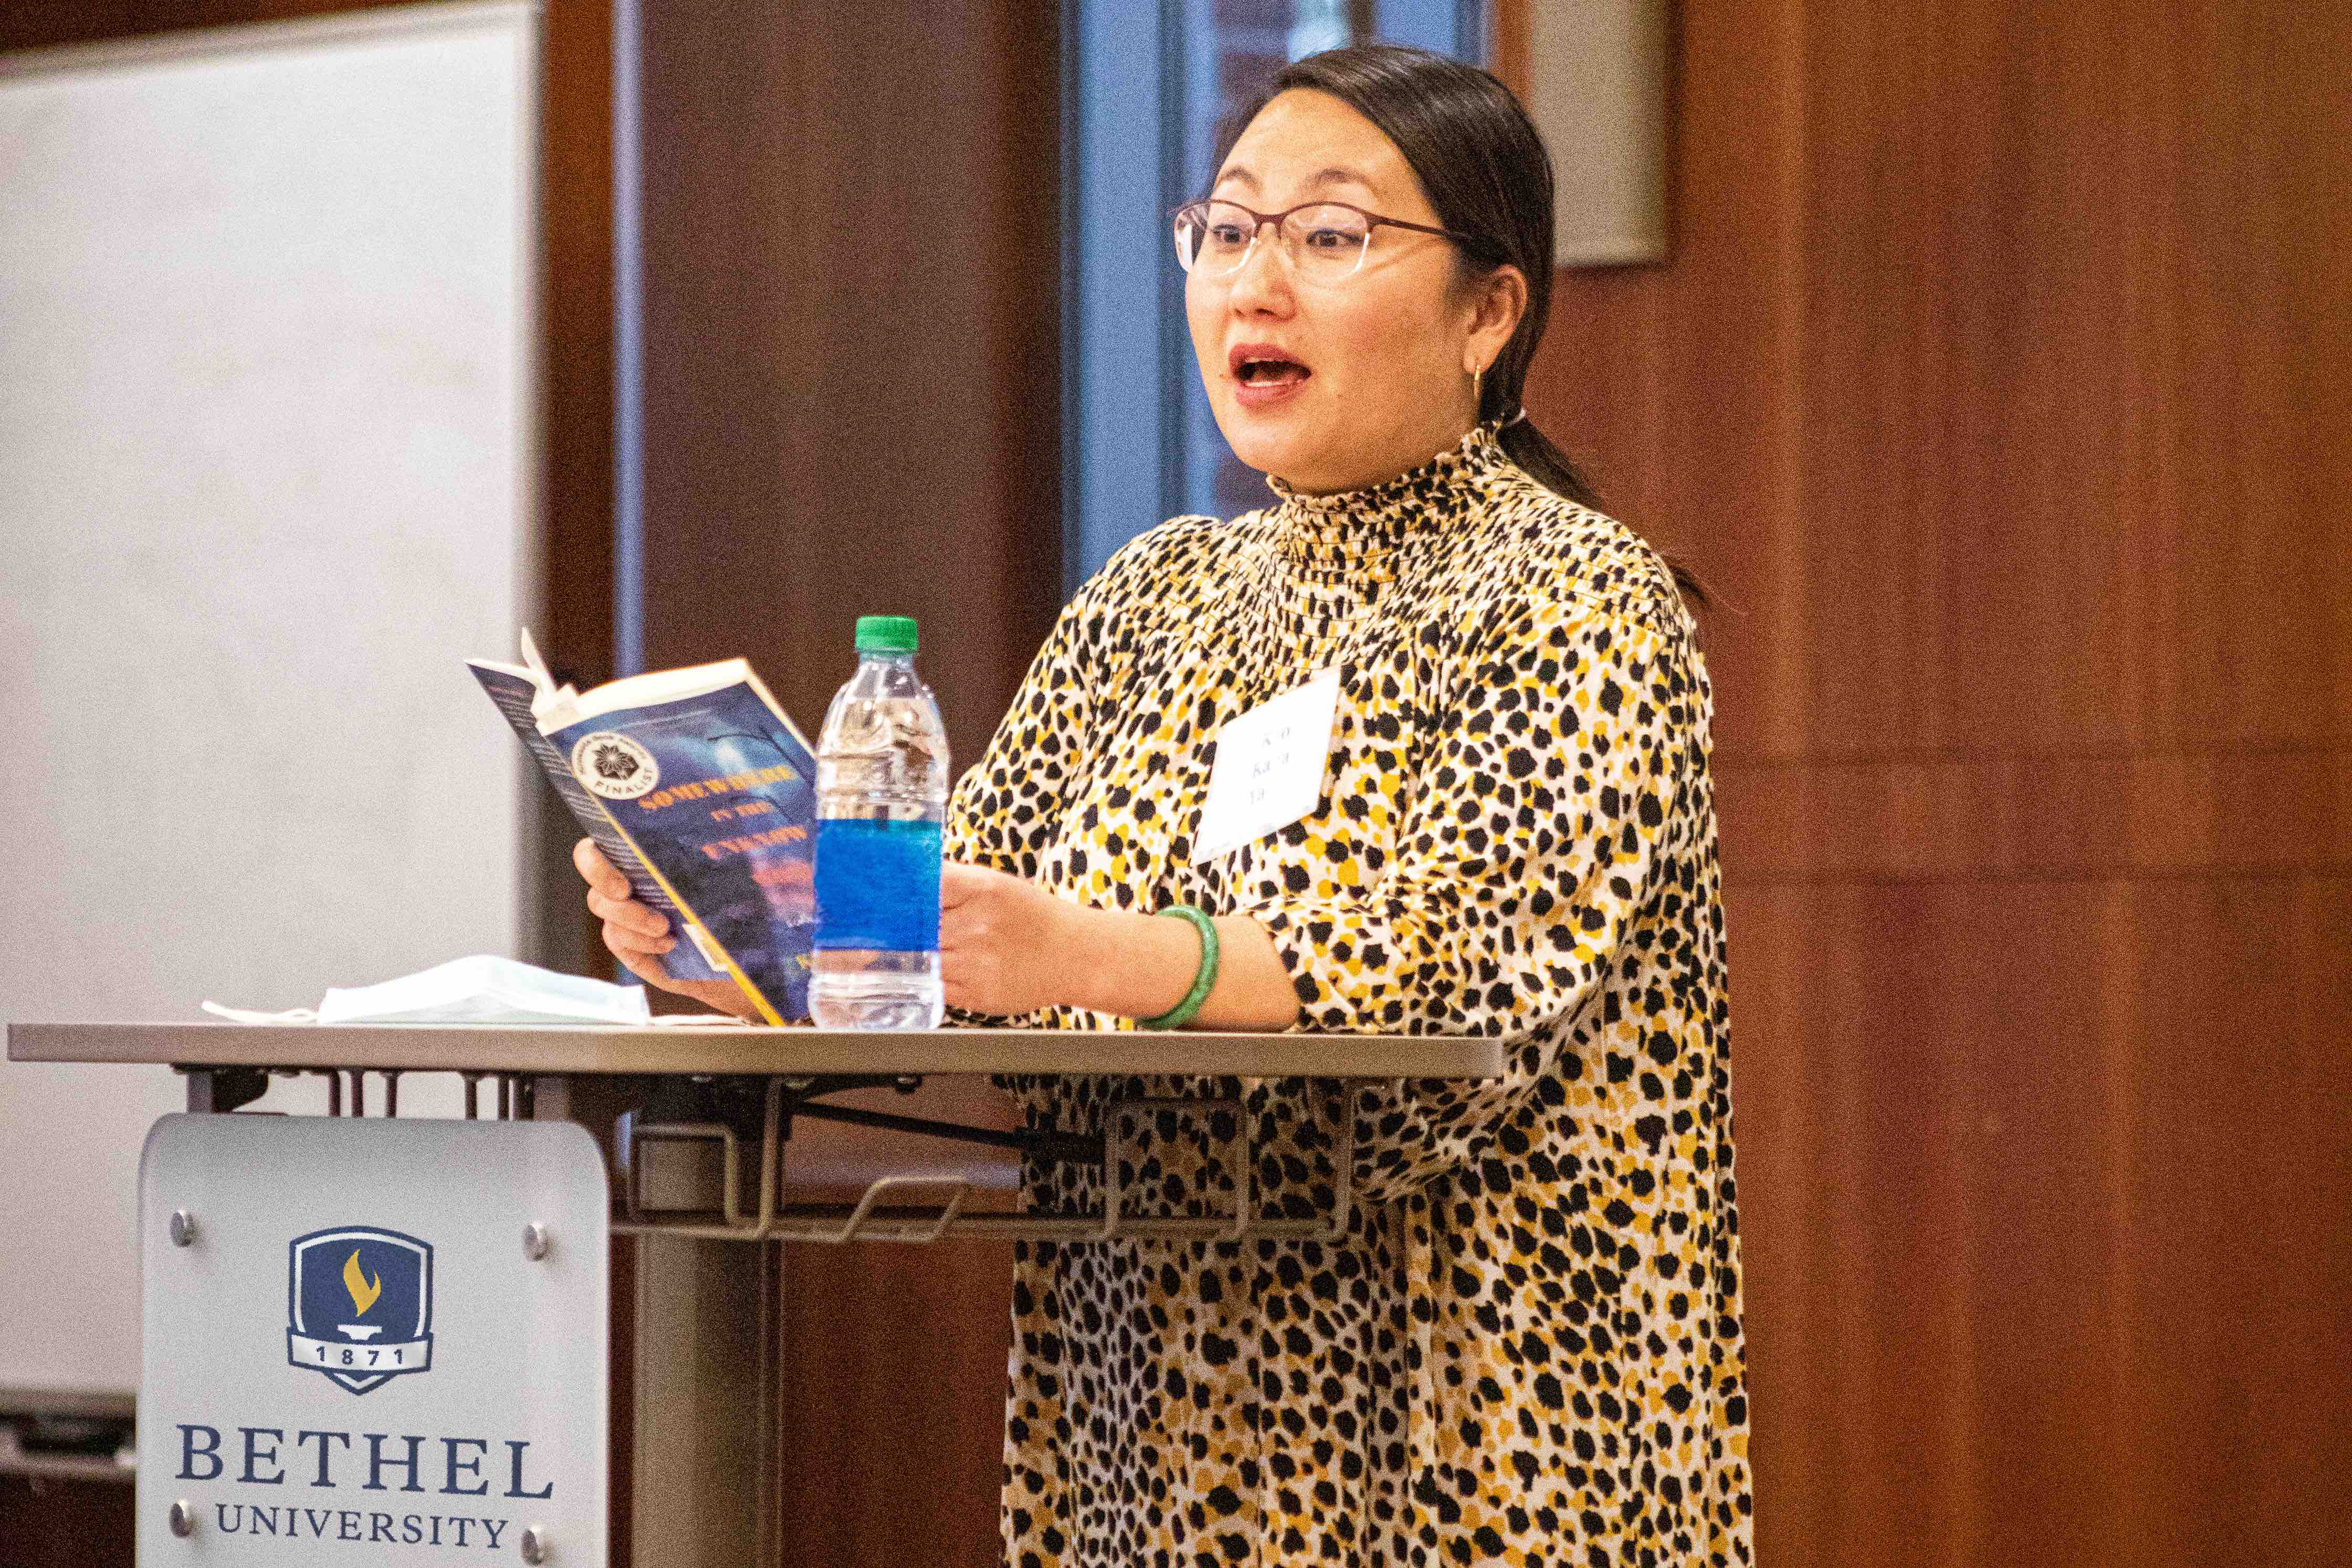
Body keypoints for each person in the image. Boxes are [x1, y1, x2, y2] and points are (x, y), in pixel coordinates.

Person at [578, 42, 1751, 1568]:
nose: (1256, 283)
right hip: (1149, 1402)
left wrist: (1081, 952)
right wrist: (743, 942)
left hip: (1481, 1407)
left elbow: (1454, 962)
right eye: (1228, 228)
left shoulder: (1574, 593)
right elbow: (961, 919)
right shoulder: (1156, 595)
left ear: (1489, 311)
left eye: (1331, 234)